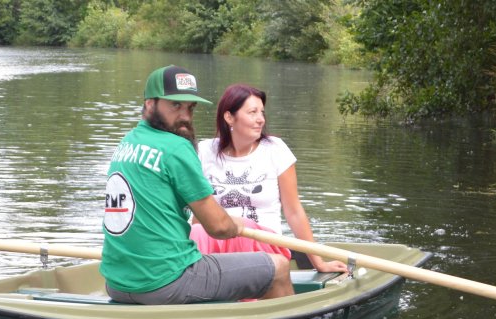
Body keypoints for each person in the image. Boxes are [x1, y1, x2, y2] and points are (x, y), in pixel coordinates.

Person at [100, 65, 294, 304]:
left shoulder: (126, 143)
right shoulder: (176, 147)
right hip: (166, 282)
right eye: (175, 105)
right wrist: (238, 225)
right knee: (279, 267)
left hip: (116, 283)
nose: (185, 116)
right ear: (150, 104)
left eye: (190, 107)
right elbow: (219, 227)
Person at [190, 84, 348, 274]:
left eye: (262, 113)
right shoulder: (205, 152)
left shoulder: (275, 150)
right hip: (218, 246)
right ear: (229, 117)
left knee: (238, 225)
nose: (261, 120)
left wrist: (318, 262)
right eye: (252, 112)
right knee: (196, 233)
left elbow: (294, 211)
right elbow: (200, 214)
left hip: (264, 246)